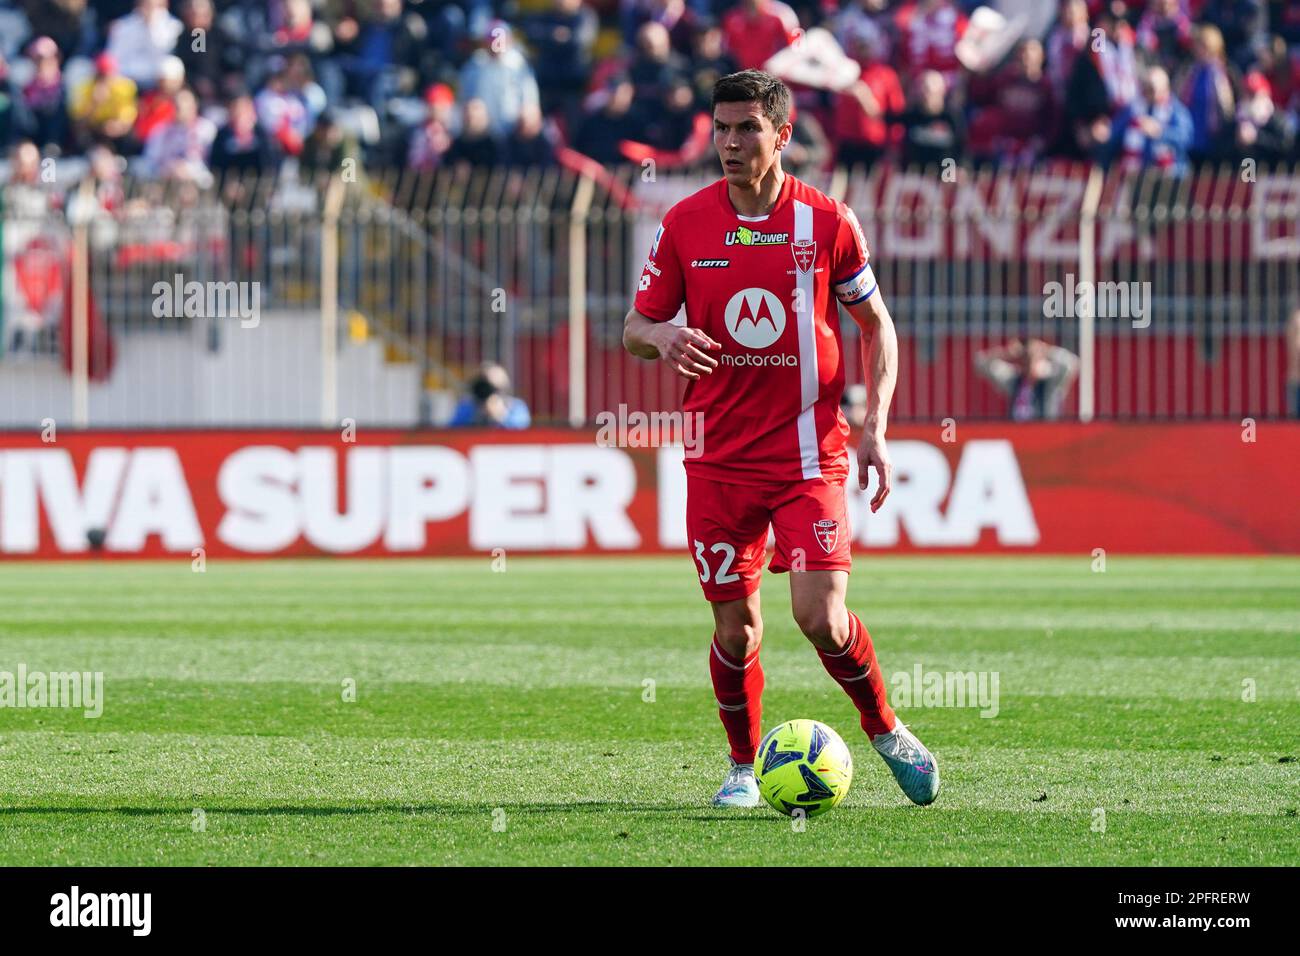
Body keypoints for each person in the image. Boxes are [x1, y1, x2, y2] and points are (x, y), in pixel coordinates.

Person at [621, 69, 939, 810]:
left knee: (820, 618)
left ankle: (887, 731)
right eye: (721, 128)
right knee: (736, 632)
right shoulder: (685, 223)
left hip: (810, 456)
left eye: (746, 129)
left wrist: (877, 429)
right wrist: (663, 337)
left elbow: (876, 326)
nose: (729, 143)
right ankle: (740, 766)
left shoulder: (827, 223)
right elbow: (634, 327)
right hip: (718, 460)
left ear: (782, 134)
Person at [975, 337, 1079, 421]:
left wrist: (1046, 350)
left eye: (1032, 358)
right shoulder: (1014, 380)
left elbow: (1071, 363)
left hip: (1046, 436)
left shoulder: (1050, 383)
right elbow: (981, 363)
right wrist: (1007, 353)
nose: (1028, 363)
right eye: (1025, 358)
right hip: (1018, 436)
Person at [448, 362, 531, 428]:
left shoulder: (516, 407)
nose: (488, 391)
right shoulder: (467, 406)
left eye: (494, 387)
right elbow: (453, 430)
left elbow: (523, 432)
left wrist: (501, 416)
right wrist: (476, 416)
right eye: (485, 384)